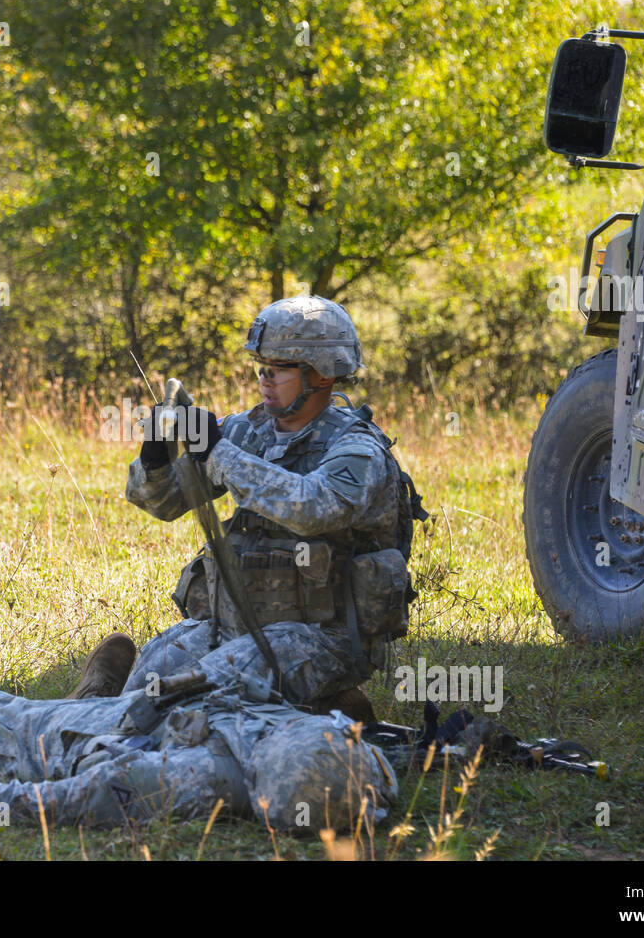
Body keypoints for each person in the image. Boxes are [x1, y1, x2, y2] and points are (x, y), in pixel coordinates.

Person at [68, 296, 424, 718]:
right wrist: (155, 459)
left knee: (184, 700)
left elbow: (313, 508)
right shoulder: (247, 431)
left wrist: (218, 454)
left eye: (279, 368)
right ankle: (99, 706)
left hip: (324, 636)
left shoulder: (357, 446)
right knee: (153, 676)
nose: (265, 379)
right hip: (237, 625)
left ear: (322, 374)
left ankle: (98, 719)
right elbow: (160, 503)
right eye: (261, 367)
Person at [0, 652, 398, 830]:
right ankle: (92, 699)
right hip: (165, 704)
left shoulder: (202, 779)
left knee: (0, 720)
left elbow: (72, 800)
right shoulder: (341, 745)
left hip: (114, 741)